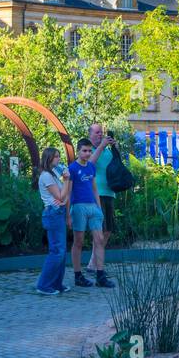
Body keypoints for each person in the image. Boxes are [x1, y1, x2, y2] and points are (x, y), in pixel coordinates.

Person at [67, 138, 113, 287]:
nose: (87, 153)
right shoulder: (72, 169)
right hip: (78, 206)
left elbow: (94, 189)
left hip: (93, 207)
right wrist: (68, 214)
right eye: (84, 151)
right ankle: (78, 275)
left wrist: (99, 208)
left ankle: (100, 275)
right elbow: (67, 192)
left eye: (89, 151)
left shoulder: (91, 167)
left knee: (99, 239)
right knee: (79, 241)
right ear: (78, 151)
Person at [85, 123, 119, 285]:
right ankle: (96, 266)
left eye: (102, 133)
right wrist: (101, 146)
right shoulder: (88, 149)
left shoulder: (107, 150)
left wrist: (115, 148)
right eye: (97, 132)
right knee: (99, 230)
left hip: (110, 193)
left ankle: (93, 262)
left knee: (108, 230)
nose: (100, 135)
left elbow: (117, 166)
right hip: (96, 194)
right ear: (90, 134)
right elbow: (89, 164)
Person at [34, 147, 71, 295]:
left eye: (58, 156)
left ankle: (56, 283)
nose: (58, 159)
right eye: (56, 156)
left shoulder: (54, 174)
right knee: (57, 250)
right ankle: (43, 285)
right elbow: (61, 196)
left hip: (58, 212)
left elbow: (64, 197)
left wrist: (63, 196)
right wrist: (67, 180)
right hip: (53, 213)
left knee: (61, 251)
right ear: (48, 158)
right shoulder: (46, 176)